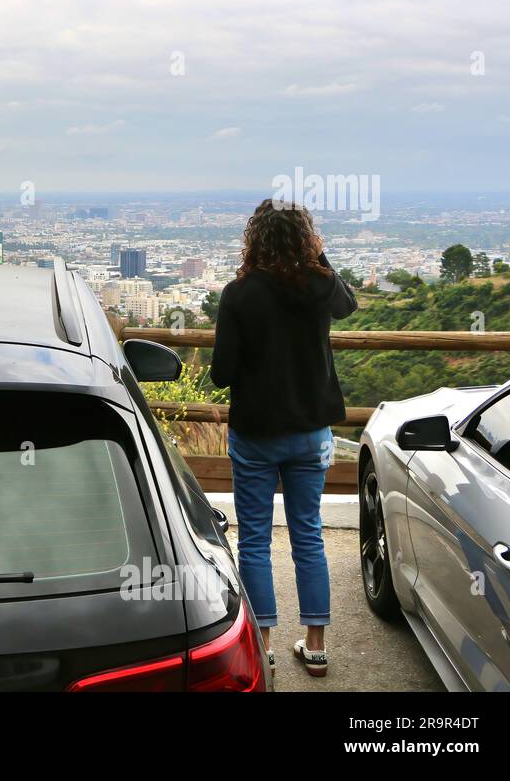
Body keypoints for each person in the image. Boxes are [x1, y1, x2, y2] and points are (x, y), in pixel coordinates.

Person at [210, 199, 358, 679]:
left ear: (254, 241)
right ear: (307, 239)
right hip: (310, 434)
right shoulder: (319, 287)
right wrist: (319, 256)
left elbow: (220, 374)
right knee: (308, 536)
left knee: (254, 541)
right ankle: (315, 646)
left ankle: (264, 644)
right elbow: (348, 304)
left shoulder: (240, 294)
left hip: (256, 434)